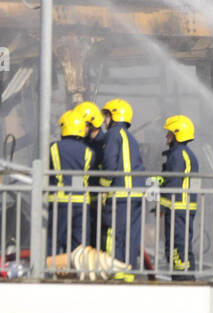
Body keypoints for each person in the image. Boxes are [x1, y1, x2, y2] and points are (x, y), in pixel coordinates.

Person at [98, 98, 146, 272]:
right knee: (130, 236)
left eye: (107, 116)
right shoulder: (130, 137)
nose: (104, 120)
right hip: (136, 194)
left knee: (113, 232)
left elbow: (110, 164)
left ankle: (113, 269)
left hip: (120, 195)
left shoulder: (113, 134)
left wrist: (102, 188)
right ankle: (127, 271)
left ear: (115, 116)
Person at [47, 110, 95, 257]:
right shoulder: (89, 152)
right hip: (81, 204)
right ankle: (77, 275)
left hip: (58, 202)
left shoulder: (53, 148)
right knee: (79, 245)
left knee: (54, 241)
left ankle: (49, 272)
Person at [159, 114, 199, 276]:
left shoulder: (178, 155)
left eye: (169, 133)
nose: (166, 136)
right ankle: (185, 275)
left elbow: (172, 182)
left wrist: (160, 205)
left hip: (178, 207)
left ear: (178, 134)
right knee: (180, 245)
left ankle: (182, 278)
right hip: (181, 207)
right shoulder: (181, 154)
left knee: (177, 246)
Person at [70, 100, 106, 248]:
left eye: (82, 124)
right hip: (83, 202)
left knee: (98, 241)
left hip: (100, 204)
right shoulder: (83, 143)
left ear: (91, 124)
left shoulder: (104, 145)